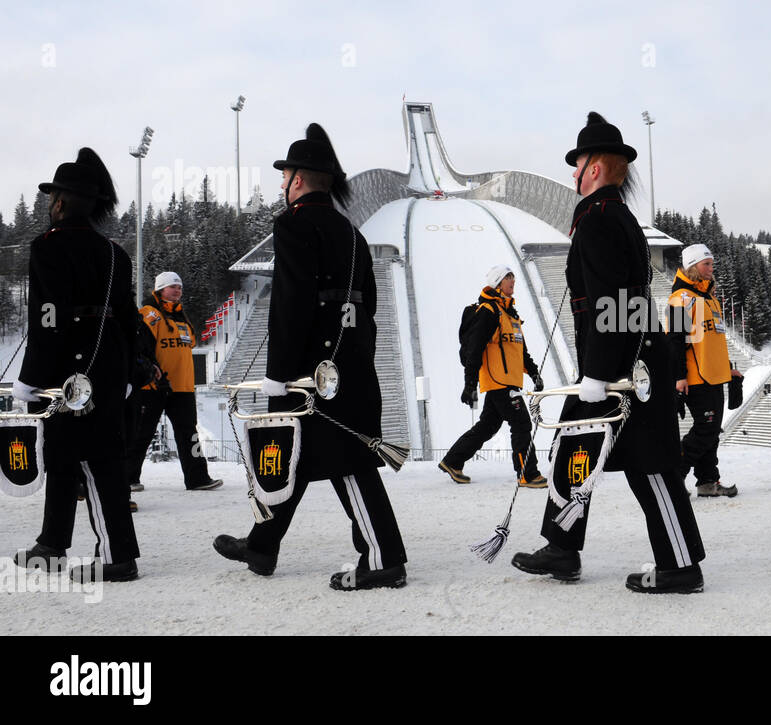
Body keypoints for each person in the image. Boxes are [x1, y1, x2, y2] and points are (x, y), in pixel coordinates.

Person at [510, 112, 706, 593]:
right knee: (573, 445)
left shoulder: (598, 220)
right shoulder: (614, 217)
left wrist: (598, 373)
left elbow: (609, 304)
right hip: (627, 357)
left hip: (621, 365)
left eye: (576, 164)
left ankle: (680, 568)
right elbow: (625, 302)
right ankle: (561, 547)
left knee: (651, 463)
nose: (572, 174)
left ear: (593, 168)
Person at [212, 123, 408, 591]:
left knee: (348, 462)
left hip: (309, 372)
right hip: (350, 364)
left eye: (285, 176)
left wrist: (279, 375)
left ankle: (382, 559)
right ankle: (262, 545)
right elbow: (369, 304)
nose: (282, 184)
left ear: (298, 179)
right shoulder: (353, 233)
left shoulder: (294, 224)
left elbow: (291, 304)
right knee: (293, 457)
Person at [10, 148, 141, 582]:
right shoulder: (114, 254)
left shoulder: (47, 248)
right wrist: (131, 372)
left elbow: (48, 319)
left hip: (67, 370)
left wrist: (30, 380)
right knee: (69, 456)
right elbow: (128, 319)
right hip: (108, 365)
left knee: (88, 458)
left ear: (61, 201)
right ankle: (52, 543)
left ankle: (118, 558)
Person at [438, 265, 547, 487]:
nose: (512, 281)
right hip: (499, 381)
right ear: (497, 283)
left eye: (513, 277)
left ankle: (453, 461)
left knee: (487, 426)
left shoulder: (511, 314)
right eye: (508, 277)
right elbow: (475, 349)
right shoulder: (489, 311)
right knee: (521, 424)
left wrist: (534, 373)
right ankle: (528, 473)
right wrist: (470, 384)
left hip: (508, 381)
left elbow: (521, 351)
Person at [123, 271, 223, 493]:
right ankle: (127, 478)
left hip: (183, 386)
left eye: (179, 287)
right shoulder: (150, 314)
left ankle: (197, 478)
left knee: (189, 433)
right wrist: (150, 370)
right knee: (142, 433)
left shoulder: (182, 316)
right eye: (172, 287)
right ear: (159, 290)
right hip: (155, 385)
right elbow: (140, 347)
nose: (177, 290)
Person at [666, 243, 742, 497]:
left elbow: (714, 340)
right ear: (692, 267)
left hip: (714, 375)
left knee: (711, 431)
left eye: (711, 263)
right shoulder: (681, 299)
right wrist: (678, 377)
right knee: (706, 429)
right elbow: (674, 340)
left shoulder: (708, 298)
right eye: (706, 264)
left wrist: (728, 369)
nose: (711, 268)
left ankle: (708, 481)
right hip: (695, 377)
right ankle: (672, 477)